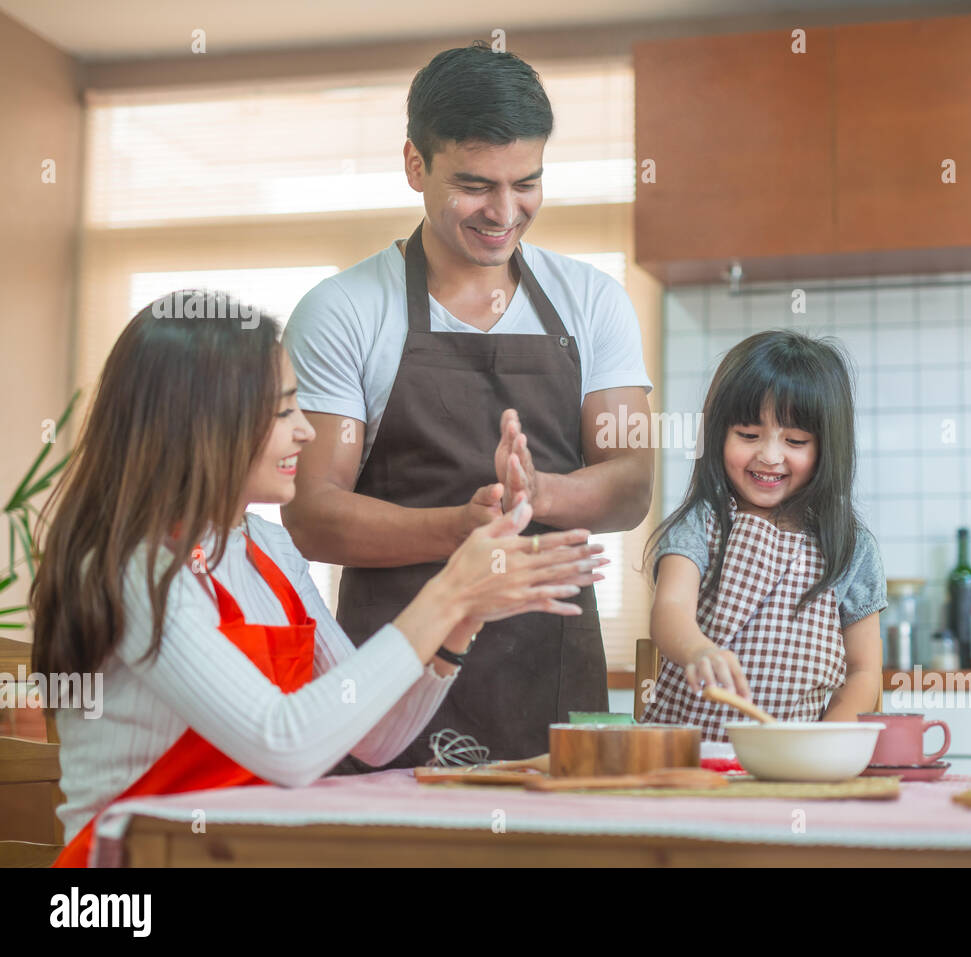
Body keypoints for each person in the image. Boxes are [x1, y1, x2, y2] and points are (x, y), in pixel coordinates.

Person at [31, 291, 605, 867]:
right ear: (204, 422)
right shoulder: (136, 568)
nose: (306, 432)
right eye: (283, 412)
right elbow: (286, 745)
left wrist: (463, 620)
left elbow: (376, 740)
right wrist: (448, 589)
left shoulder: (269, 548)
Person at [280, 43, 653, 764]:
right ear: (415, 165)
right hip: (391, 679)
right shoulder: (345, 310)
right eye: (476, 185)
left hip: (554, 680)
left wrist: (543, 490)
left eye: (528, 183)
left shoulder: (594, 303)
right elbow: (312, 514)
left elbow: (631, 484)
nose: (505, 213)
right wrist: (462, 529)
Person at [640, 331, 886, 742]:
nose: (769, 456)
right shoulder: (702, 522)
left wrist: (825, 744)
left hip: (792, 762)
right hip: (690, 755)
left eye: (795, 441)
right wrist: (697, 650)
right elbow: (669, 612)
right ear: (719, 434)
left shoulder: (849, 546)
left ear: (827, 448)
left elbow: (864, 670)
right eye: (749, 435)